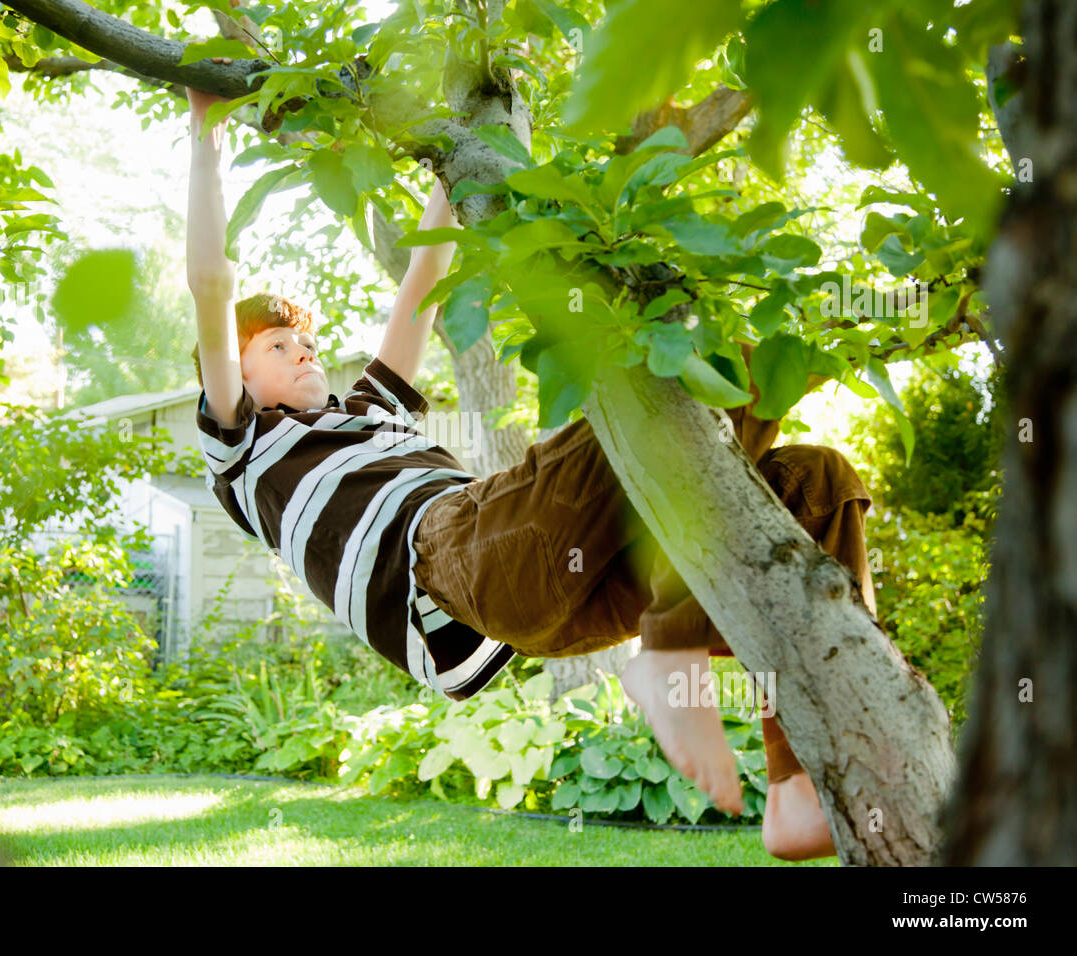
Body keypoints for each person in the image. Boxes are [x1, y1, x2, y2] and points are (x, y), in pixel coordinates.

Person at [184, 72, 875, 861]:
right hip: (454, 561)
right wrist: (205, 135)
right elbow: (211, 284)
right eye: (279, 347)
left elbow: (424, 281)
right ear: (235, 373)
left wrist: (454, 155)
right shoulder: (242, 447)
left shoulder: (368, 410)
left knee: (815, 479)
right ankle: (673, 651)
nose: (304, 352)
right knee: (701, 367)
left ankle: (795, 787)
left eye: (306, 341)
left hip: (546, 597)